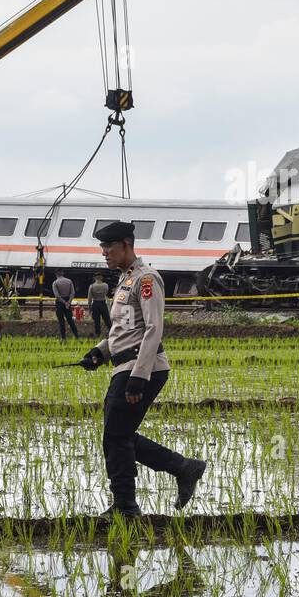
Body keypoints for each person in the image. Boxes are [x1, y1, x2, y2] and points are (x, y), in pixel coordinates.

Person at [80, 221, 207, 518]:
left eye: (108, 247)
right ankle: (184, 468)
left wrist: (140, 375)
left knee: (115, 436)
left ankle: (126, 507)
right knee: (119, 435)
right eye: (102, 247)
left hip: (140, 367)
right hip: (125, 365)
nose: (104, 253)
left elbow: (153, 328)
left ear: (126, 244)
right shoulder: (125, 280)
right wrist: (100, 351)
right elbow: (123, 330)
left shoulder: (147, 278)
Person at [52, 271, 79, 340]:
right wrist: (68, 302)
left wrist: (64, 302)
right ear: (63, 273)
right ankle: (77, 336)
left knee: (61, 321)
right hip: (68, 301)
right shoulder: (69, 281)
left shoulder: (55, 282)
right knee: (70, 320)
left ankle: (63, 338)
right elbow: (73, 293)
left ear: (56, 275)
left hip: (60, 303)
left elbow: (57, 296)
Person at [88, 273, 112, 338]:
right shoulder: (105, 285)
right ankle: (112, 332)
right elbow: (106, 293)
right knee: (107, 319)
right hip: (103, 303)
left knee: (96, 321)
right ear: (101, 277)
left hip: (95, 304)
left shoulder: (92, 286)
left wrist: (90, 307)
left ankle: (98, 334)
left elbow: (89, 298)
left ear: (95, 278)